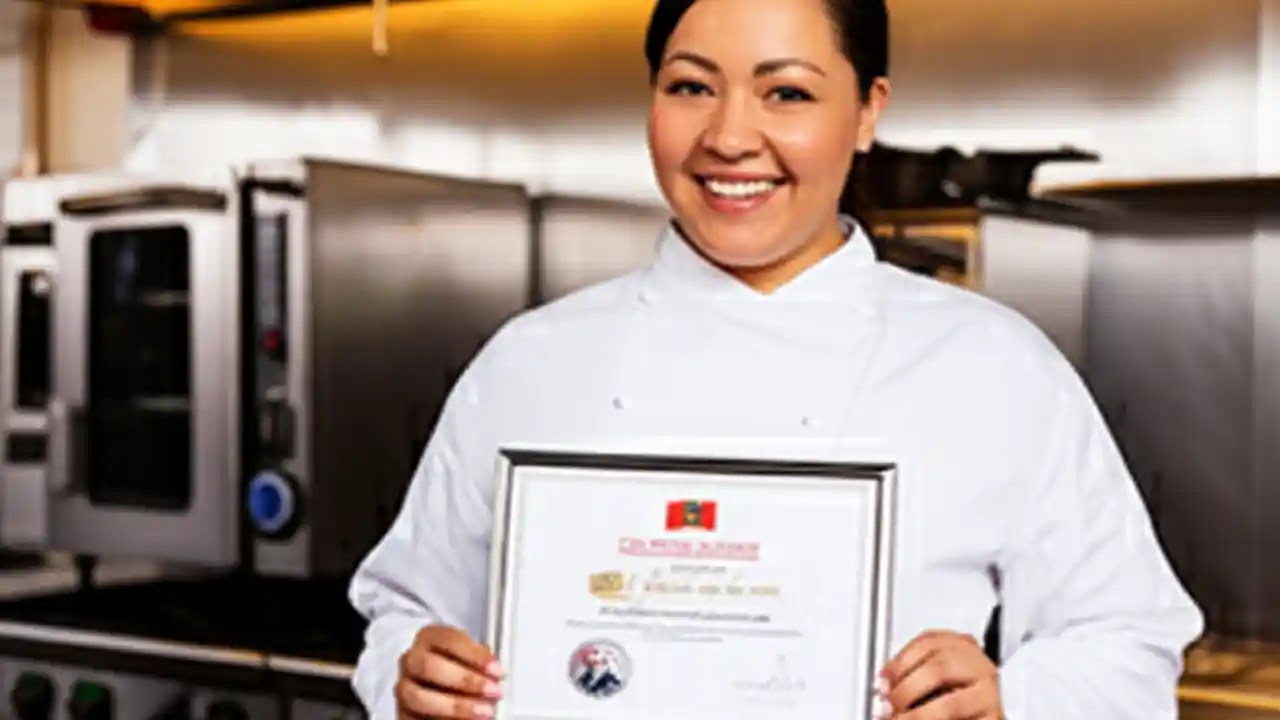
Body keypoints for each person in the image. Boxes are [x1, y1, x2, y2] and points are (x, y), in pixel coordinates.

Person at [348, 0, 1205, 717]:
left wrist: (1010, 700)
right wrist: (412, 677)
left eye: (786, 93)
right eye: (690, 87)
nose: (729, 137)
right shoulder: (528, 364)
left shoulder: (996, 368)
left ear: (868, 111)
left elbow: (1131, 644)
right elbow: (404, 611)